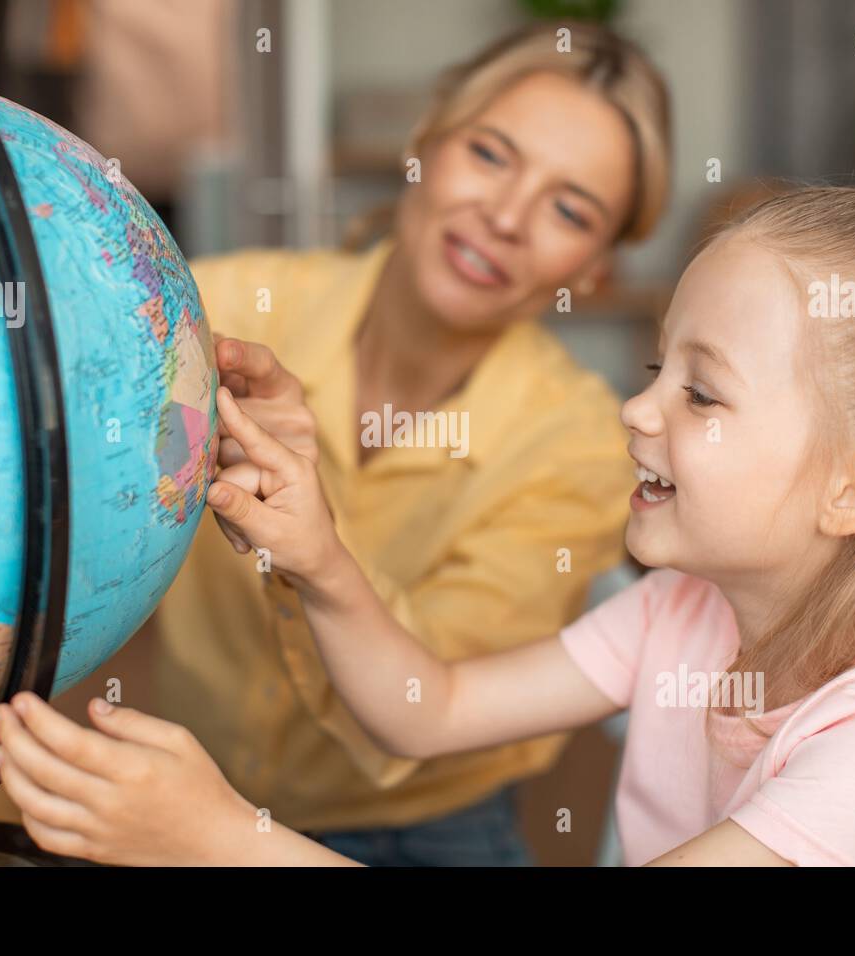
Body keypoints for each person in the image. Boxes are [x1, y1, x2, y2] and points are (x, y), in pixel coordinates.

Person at [0, 186, 855, 866]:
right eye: (657, 368)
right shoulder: (682, 613)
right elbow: (431, 706)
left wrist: (230, 844)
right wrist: (318, 555)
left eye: (702, 395)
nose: (634, 409)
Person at [133, 22, 672, 865]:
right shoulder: (228, 305)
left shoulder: (580, 448)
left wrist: (313, 532)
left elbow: (422, 708)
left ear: (596, 267)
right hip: (191, 792)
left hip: (426, 837)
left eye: (570, 209)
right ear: (426, 143)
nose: (504, 216)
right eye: (491, 155)